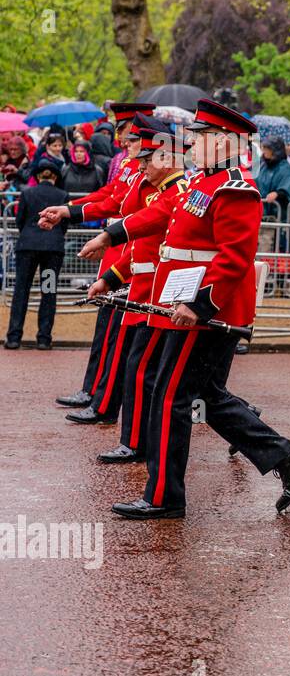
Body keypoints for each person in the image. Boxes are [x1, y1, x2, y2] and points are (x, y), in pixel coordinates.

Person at [79, 98, 290, 519]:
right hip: (183, 304)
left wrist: (200, 304)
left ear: (224, 142)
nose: (192, 144)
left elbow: (235, 258)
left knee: (170, 395)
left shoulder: (236, 188)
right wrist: (111, 236)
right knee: (204, 394)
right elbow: (158, 214)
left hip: (206, 312)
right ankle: (285, 456)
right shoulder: (198, 183)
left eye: (201, 138)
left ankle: (165, 496)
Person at [43, 115, 189, 462]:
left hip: (156, 290)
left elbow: (141, 226)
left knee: (147, 370)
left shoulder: (173, 189)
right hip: (137, 279)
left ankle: (133, 437)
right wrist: (109, 275)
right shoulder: (147, 180)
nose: (130, 154)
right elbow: (116, 204)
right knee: (152, 371)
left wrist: (107, 241)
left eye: (135, 146)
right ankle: (131, 434)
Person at [4, 159, 68, 350]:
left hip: (28, 247)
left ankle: (14, 337)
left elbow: (20, 220)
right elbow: (63, 224)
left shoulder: (27, 193)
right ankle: (44, 338)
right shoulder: (62, 195)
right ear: (55, 177)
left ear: (38, 176)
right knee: (48, 292)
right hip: (52, 249)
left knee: (21, 291)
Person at [256, 137, 290, 221]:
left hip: (278, 218)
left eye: (267, 148)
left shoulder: (286, 168)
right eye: (263, 148)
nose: (264, 151)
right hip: (260, 215)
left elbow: (287, 189)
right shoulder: (262, 166)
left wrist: (278, 193)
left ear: (275, 150)